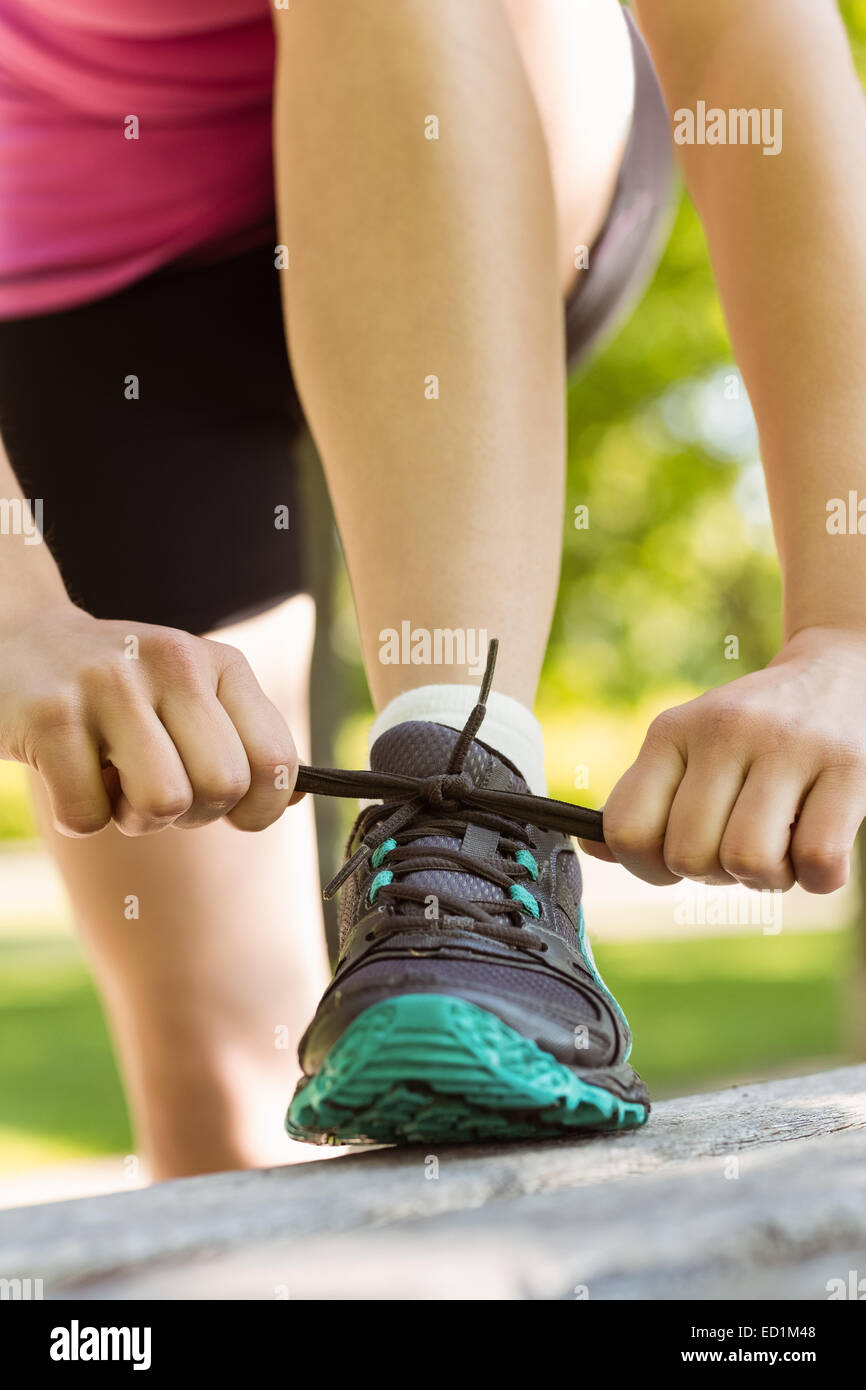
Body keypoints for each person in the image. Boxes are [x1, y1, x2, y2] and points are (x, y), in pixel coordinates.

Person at [1, 0, 864, 1166]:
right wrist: (17, 614)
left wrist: (847, 625)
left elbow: (745, 31)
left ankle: (452, 787)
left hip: (487, 125)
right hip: (95, 292)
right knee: (223, 1073)